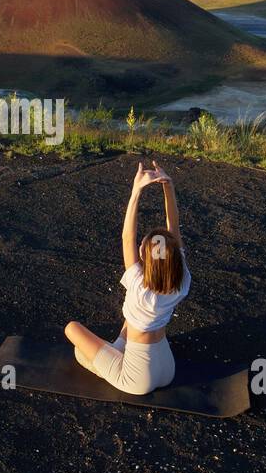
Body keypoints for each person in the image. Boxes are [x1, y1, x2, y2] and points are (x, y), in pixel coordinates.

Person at [64, 160, 190, 394]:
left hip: (137, 379)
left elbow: (126, 236)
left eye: (143, 243)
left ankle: (112, 358)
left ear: (145, 255)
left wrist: (136, 191)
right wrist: (168, 186)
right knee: (130, 317)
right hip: (167, 368)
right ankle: (115, 351)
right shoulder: (181, 280)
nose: (140, 242)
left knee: (74, 336)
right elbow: (174, 230)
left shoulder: (139, 284)